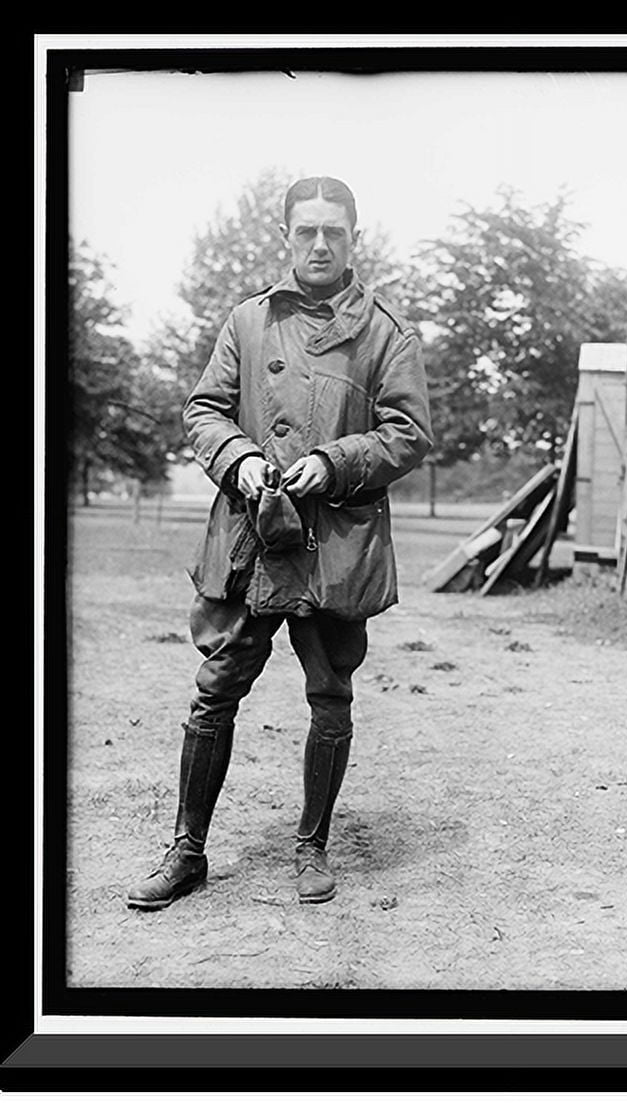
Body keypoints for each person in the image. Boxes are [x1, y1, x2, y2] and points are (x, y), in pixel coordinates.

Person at [126, 176, 432, 910]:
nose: (320, 245)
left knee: (331, 697)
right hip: (252, 539)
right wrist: (239, 458)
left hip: (335, 545)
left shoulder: (387, 334)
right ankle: (187, 851)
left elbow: (410, 433)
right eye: (306, 231)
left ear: (354, 239)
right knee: (214, 691)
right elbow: (204, 410)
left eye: (334, 232)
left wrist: (334, 462)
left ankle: (312, 848)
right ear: (286, 237)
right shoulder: (247, 321)